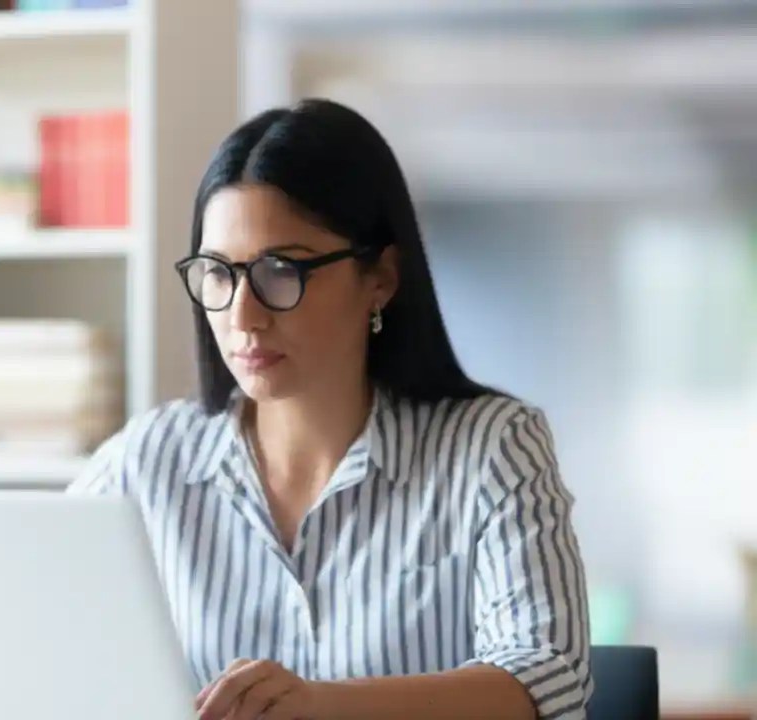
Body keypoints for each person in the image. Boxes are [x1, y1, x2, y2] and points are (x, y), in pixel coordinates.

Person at [67, 99, 591, 720]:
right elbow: (22, 621)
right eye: (218, 273)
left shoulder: (492, 447)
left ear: (381, 278)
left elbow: (546, 676)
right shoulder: (146, 462)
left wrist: (320, 705)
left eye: (280, 270)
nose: (242, 316)